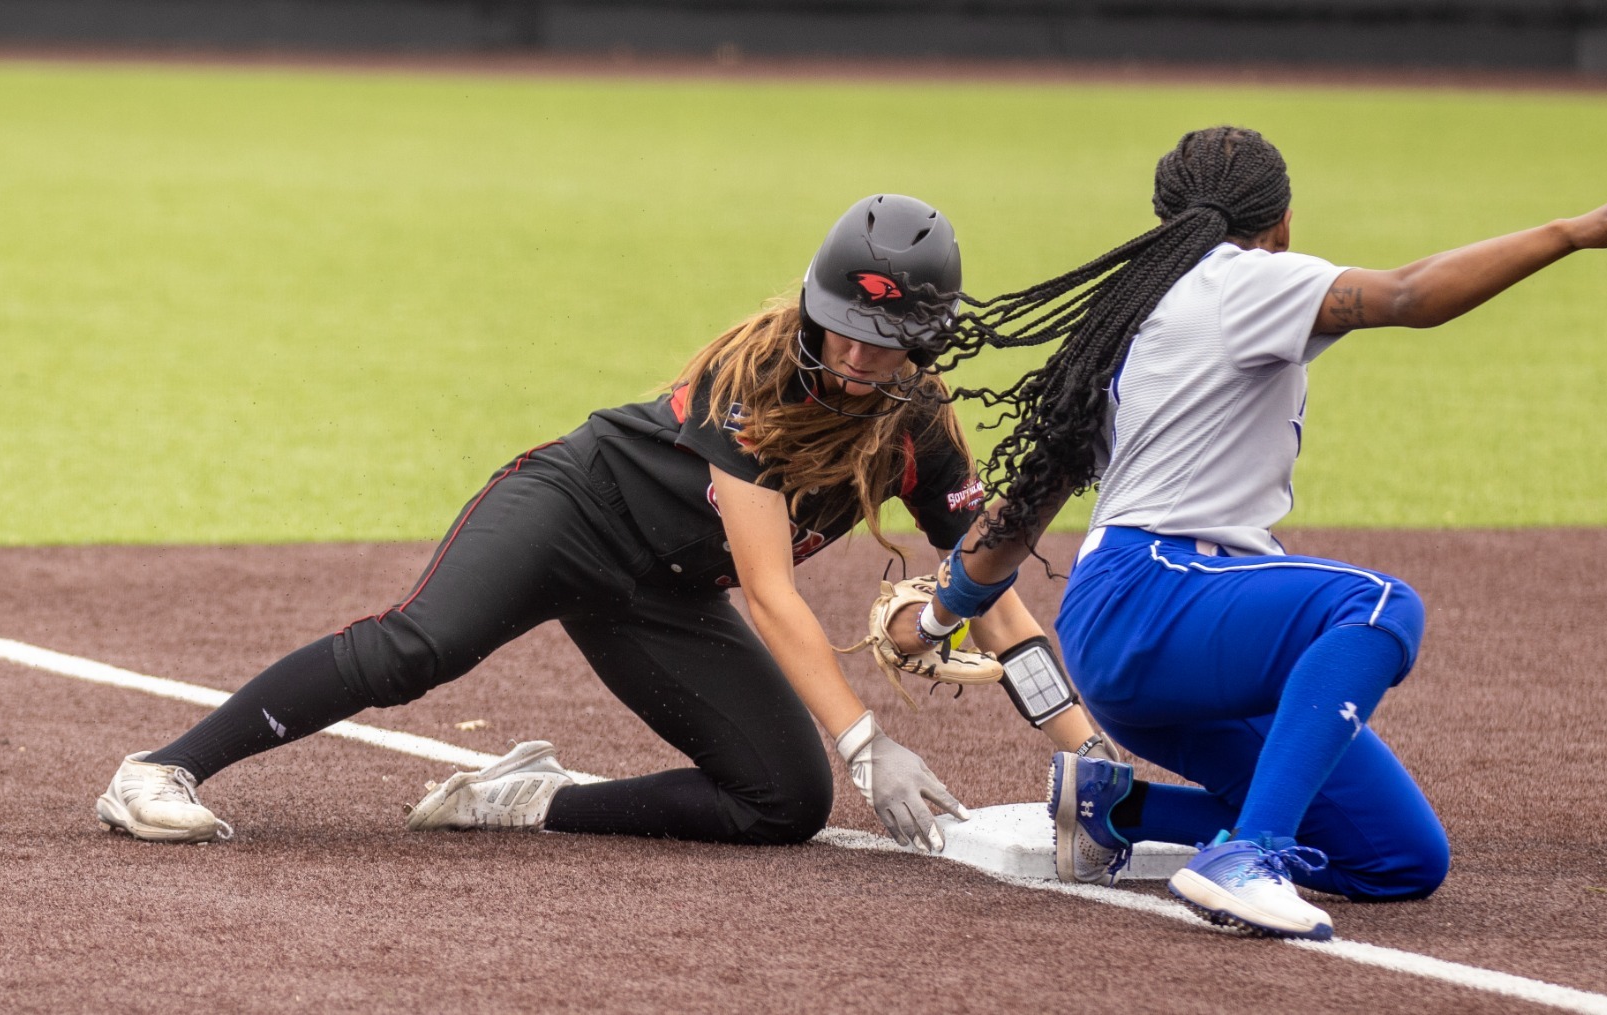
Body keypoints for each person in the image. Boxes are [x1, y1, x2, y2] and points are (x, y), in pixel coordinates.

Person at [94, 194, 1111, 853]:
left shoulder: (919, 428)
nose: (853, 355)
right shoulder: (754, 375)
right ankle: (161, 768)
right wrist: (866, 743)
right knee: (418, 647)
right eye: (840, 327)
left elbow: (988, 592)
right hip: (570, 513)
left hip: (664, 592)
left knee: (783, 802)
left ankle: (521, 796)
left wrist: (1086, 759)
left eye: (880, 341)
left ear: (926, 340)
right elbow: (769, 592)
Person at [912, 127, 1607, 938]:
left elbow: (1022, 510)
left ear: (1163, 218)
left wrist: (938, 616)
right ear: (1282, 223)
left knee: (1398, 858)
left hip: (1139, 633)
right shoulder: (1240, 278)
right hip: (1160, 599)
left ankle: (1118, 810)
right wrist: (1569, 232)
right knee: (1378, 606)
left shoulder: (1129, 315)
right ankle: (1249, 853)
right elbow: (1409, 295)